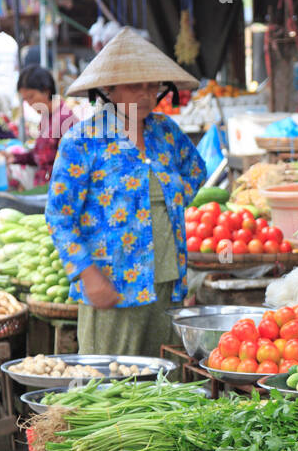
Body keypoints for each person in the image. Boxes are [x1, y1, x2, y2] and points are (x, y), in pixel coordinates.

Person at [46, 28, 206, 357]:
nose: (147, 95)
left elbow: (196, 171)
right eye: (135, 86)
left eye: (152, 86)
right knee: (114, 385)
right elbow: (59, 217)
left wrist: (169, 205)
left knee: (166, 385)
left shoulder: (166, 132)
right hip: (114, 285)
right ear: (109, 88)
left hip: (167, 283)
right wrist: (88, 275)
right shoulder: (83, 140)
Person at [9, 65, 77, 184]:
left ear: (46, 91)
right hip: (41, 184)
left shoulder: (65, 120)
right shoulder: (47, 117)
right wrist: (14, 158)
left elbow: (70, 166)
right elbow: (38, 156)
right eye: (25, 99)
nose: (29, 103)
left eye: (31, 97)